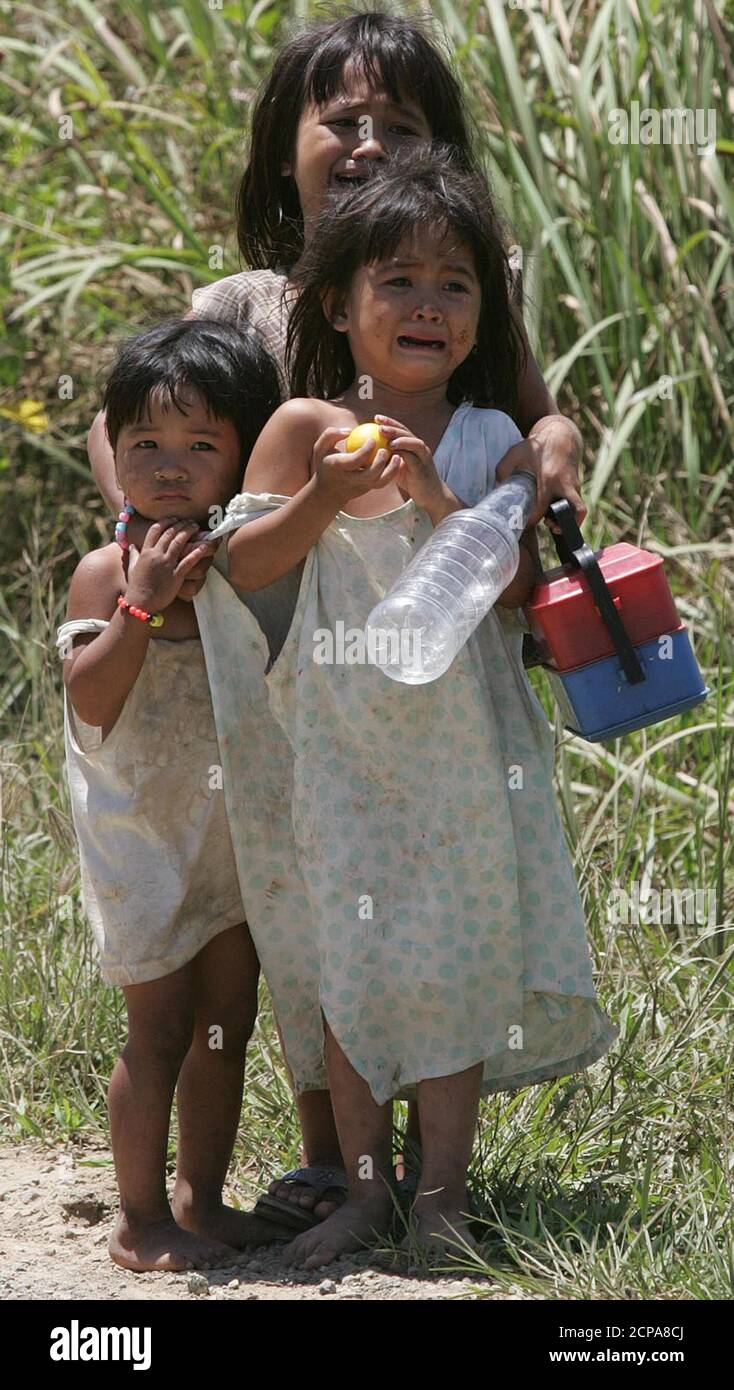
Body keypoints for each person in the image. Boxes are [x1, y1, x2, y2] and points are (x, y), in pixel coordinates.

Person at [86, 7, 588, 1231]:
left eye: (399, 124)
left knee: (429, 908)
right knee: (302, 916)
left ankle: (432, 1175)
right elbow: (132, 418)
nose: (368, 142)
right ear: (285, 149)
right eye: (341, 121)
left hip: (436, 685)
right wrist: (145, 526)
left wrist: (551, 450)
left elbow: (530, 415)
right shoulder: (248, 300)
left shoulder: (470, 287)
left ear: (443, 154)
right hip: (276, 666)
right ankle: (333, 1161)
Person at [221, 147, 618, 1270]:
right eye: (396, 280)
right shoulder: (304, 426)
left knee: (446, 968)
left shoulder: (492, 439)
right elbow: (244, 564)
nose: (427, 304)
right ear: (340, 308)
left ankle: (439, 1195)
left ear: (479, 313)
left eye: (454, 284)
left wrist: (440, 494)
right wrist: (323, 495)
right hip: (340, 750)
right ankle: (361, 1187)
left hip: (461, 758)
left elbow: (502, 595)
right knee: (354, 974)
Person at [57, 319, 282, 1272]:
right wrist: (142, 605)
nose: (171, 467)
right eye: (145, 443)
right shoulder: (107, 571)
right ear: (114, 446)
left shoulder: (244, 569)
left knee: (227, 1021)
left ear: (242, 453)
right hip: (138, 835)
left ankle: (202, 1198)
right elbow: (90, 699)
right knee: (158, 1029)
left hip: (231, 836)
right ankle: (140, 1218)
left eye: (201, 446)